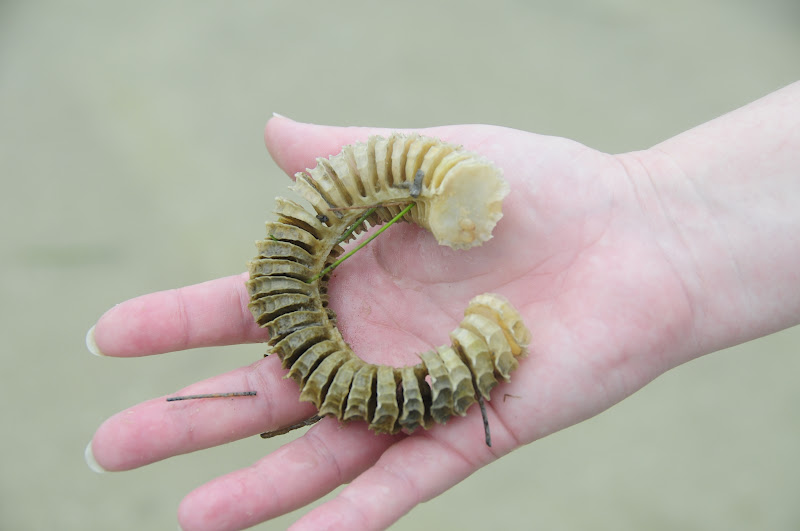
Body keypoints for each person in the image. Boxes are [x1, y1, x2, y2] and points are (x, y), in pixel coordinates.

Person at [85, 81, 800, 531]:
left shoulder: (426, 190)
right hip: (363, 330)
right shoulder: (370, 209)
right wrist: (667, 214)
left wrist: (662, 215)